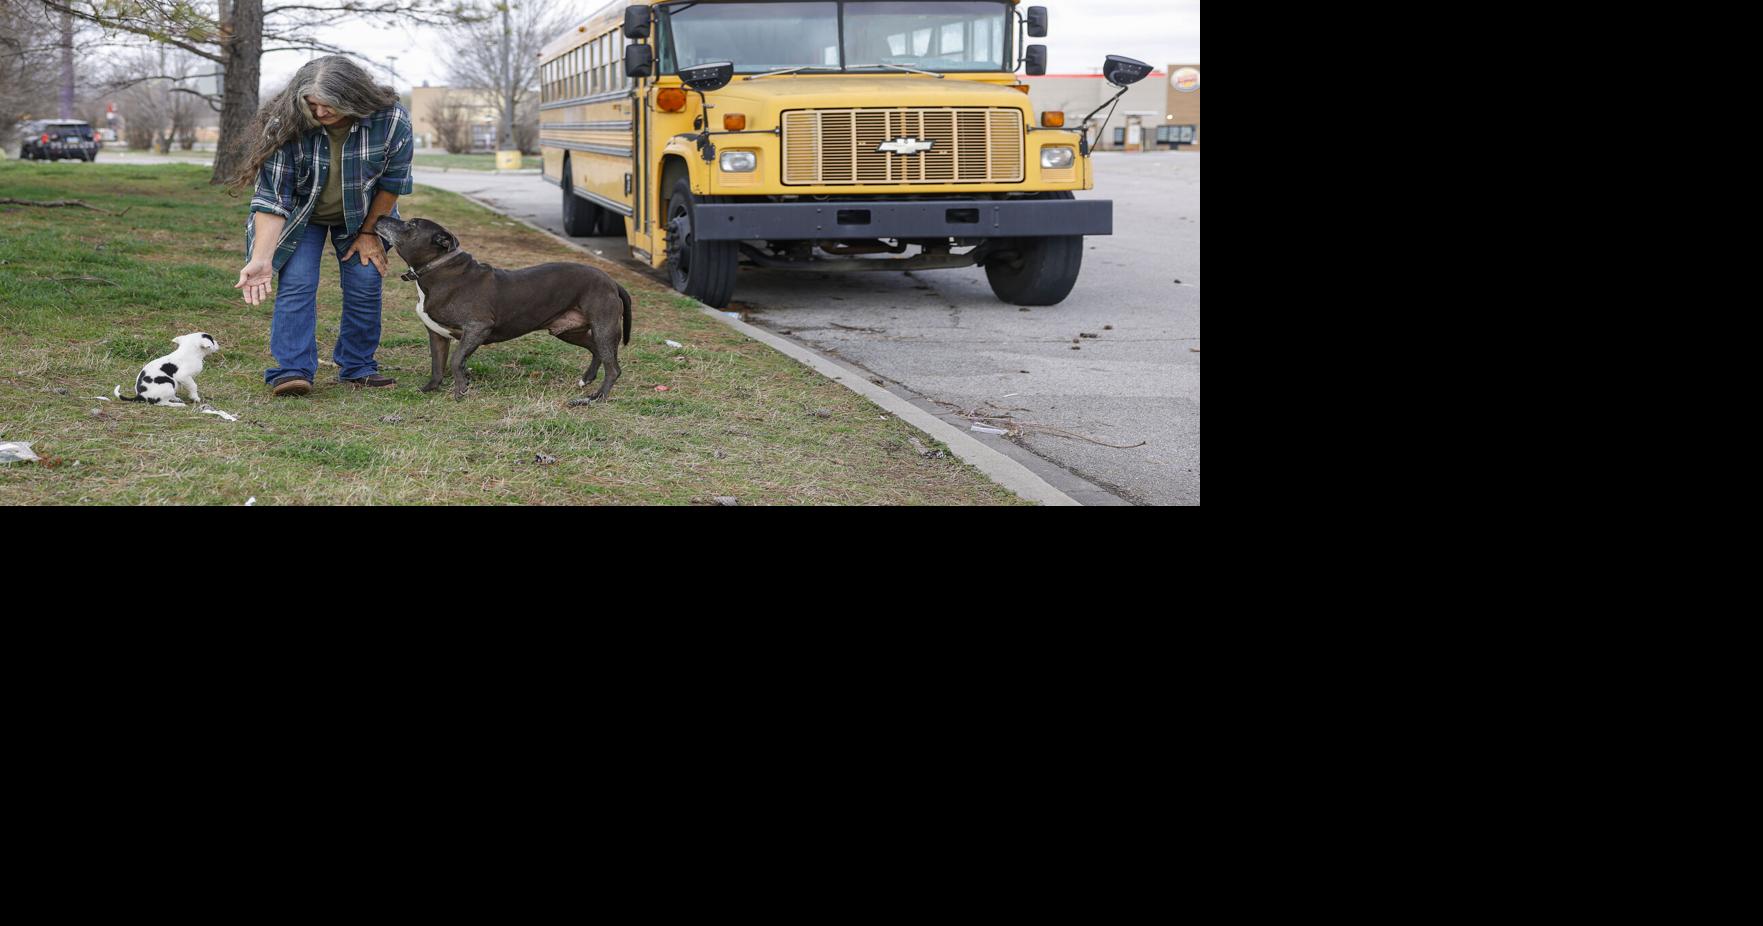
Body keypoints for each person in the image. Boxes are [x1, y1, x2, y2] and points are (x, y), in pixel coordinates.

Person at [231, 55, 413, 396]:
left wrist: (370, 233)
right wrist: (261, 258)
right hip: (301, 216)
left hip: (363, 215)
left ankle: (358, 366)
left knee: (365, 280)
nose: (319, 114)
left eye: (329, 105)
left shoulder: (391, 120)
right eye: (312, 105)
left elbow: (393, 183)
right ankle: (291, 370)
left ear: (354, 98)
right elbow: (273, 198)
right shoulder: (286, 123)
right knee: (298, 283)